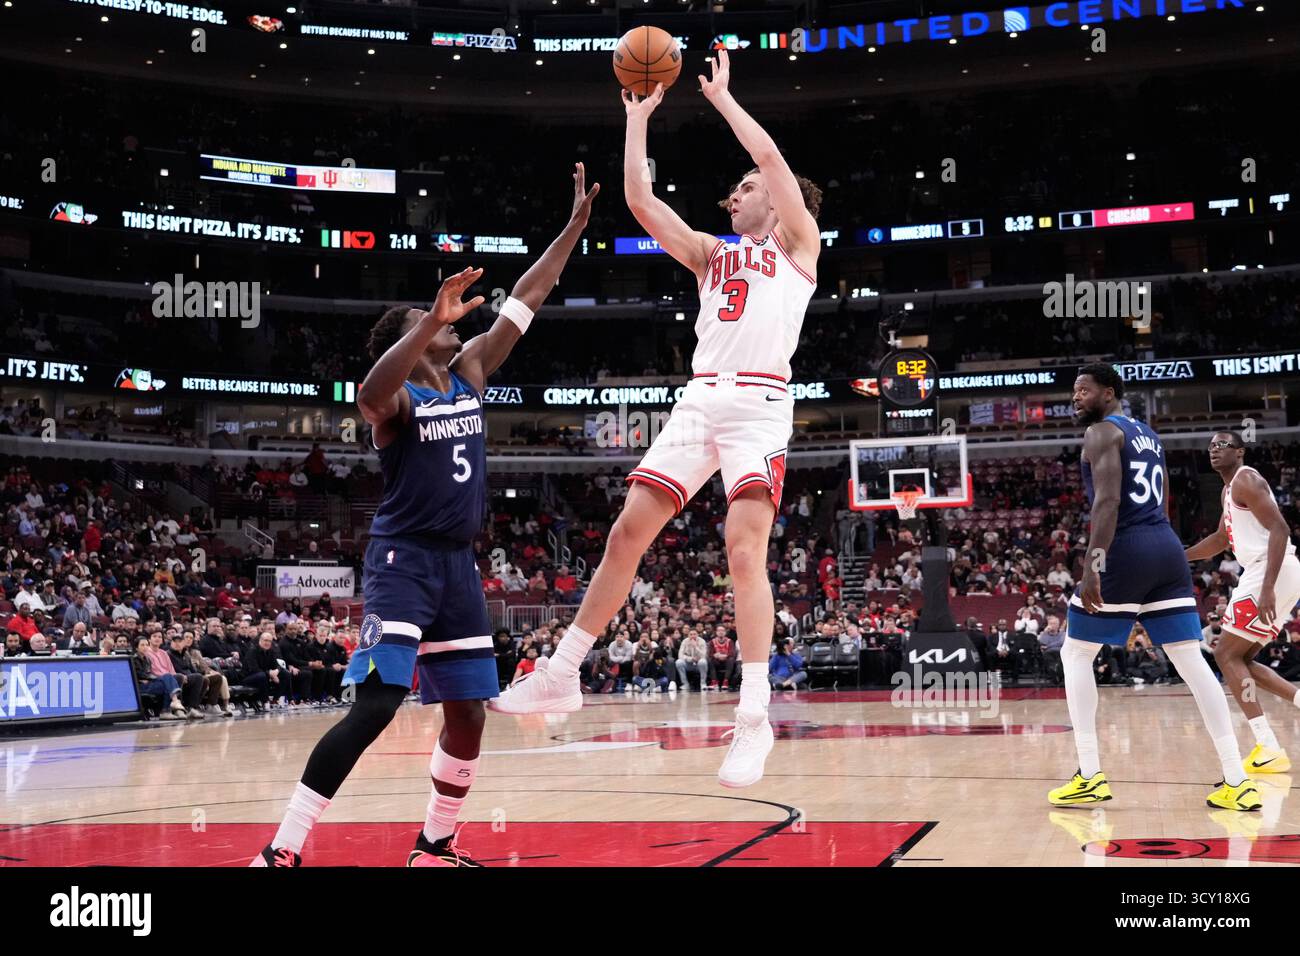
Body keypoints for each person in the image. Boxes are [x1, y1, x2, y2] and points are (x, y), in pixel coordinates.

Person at [490, 50, 821, 790]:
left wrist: (725, 99)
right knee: (625, 532)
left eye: (744, 189)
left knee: (744, 553)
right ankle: (564, 672)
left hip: (761, 406)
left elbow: (767, 155)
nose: (733, 197)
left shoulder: (800, 248)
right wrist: (637, 121)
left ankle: (753, 715)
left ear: (775, 196)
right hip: (701, 397)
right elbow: (641, 201)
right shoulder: (713, 255)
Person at [252, 165, 597, 868]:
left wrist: (571, 231)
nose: (442, 319)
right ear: (410, 340)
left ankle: (434, 846)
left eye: (437, 319)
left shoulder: (469, 373)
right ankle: (283, 850)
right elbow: (368, 393)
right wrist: (424, 324)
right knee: (377, 706)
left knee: (469, 712)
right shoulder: (400, 399)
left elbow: (526, 300)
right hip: (402, 560)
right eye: (425, 318)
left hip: (456, 567)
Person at [1049, 364, 1258, 812]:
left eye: (1083, 390)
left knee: (1076, 653)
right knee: (1191, 660)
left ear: (1108, 392)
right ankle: (1237, 779)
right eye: (1074, 391)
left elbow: (1107, 500)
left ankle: (1089, 774)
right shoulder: (1147, 433)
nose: (1075, 398)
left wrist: (1093, 562)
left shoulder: (1102, 432)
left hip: (1125, 546)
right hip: (1165, 544)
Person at [1186, 430, 1300, 774]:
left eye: (1223, 445)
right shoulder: (1227, 489)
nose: (1214, 450)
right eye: (1210, 446)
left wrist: (1266, 587)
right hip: (1274, 573)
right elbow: (1221, 539)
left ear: (1240, 451)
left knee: (1224, 653)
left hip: (1270, 570)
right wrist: (1178, 556)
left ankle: (1268, 747)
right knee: (1242, 659)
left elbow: (1280, 530)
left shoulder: (1246, 479)